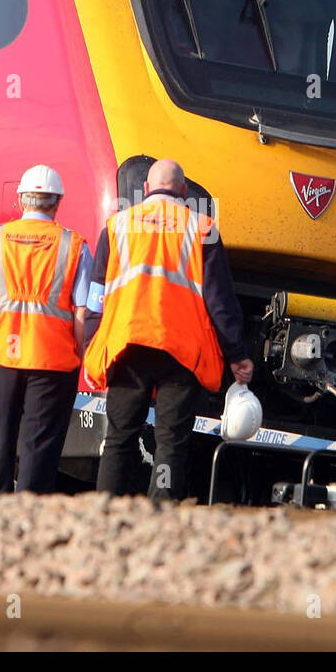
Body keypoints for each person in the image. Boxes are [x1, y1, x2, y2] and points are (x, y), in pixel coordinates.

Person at [84, 159, 254, 502]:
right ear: (184, 191)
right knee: (171, 439)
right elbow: (220, 301)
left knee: (119, 436)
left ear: (146, 190)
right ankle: (162, 510)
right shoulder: (203, 228)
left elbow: (95, 298)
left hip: (126, 347)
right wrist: (237, 355)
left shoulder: (117, 227)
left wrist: (91, 346)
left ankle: (103, 511)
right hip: (181, 351)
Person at [0, 165, 92, 493]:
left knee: (0, 437)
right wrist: (80, 354)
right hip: (53, 360)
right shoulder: (73, 246)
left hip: (0, 357)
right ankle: (31, 511)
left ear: (21, 199)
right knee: (40, 441)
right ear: (57, 202)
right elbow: (82, 312)